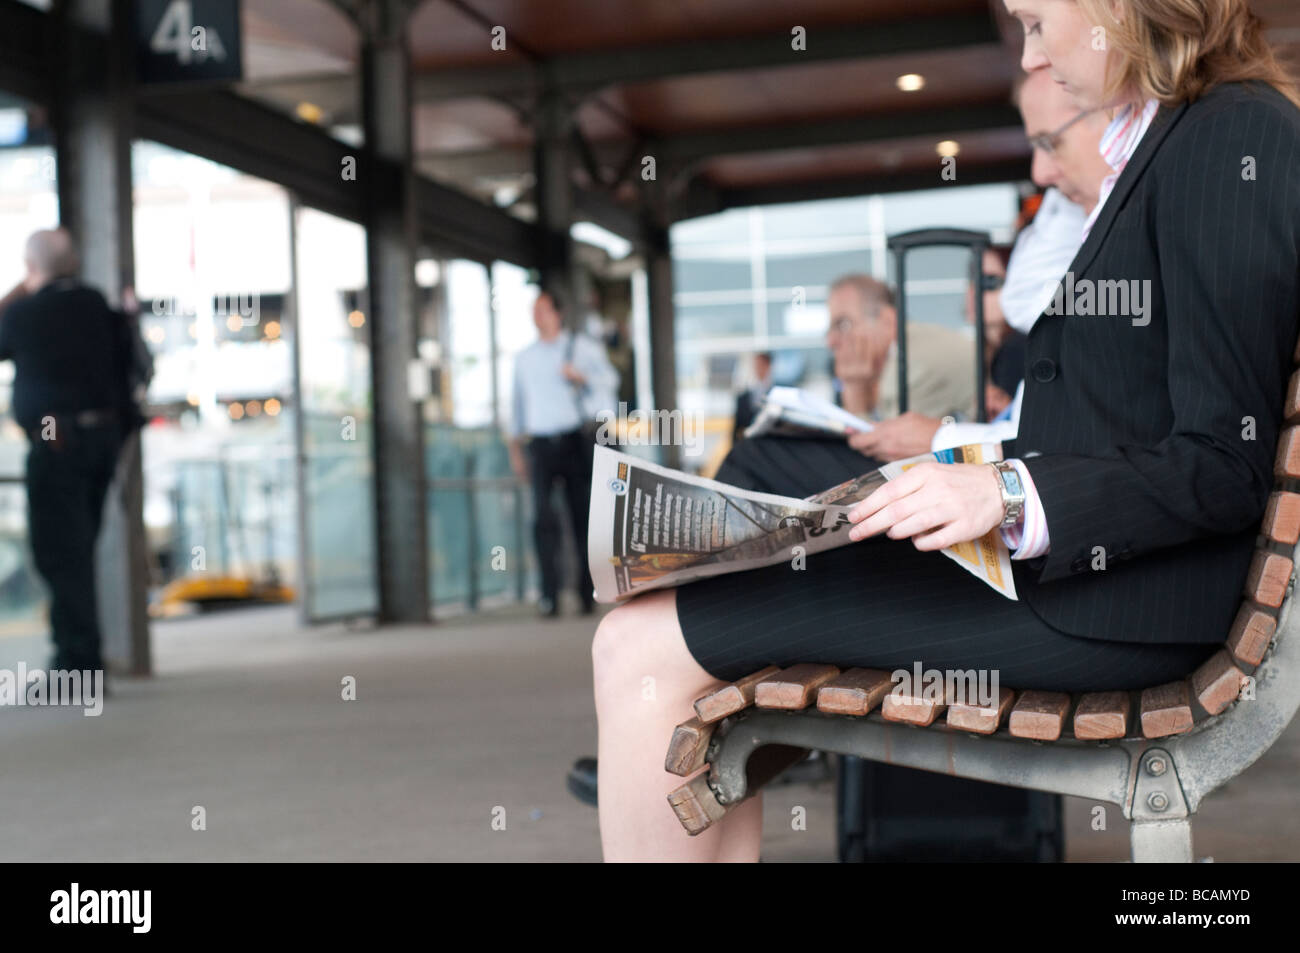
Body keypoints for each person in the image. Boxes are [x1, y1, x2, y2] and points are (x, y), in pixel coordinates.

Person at [591, 0, 1300, 861]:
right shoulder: (1187, 135)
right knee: (691, 594)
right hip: (1087, 577)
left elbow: (1223, 461)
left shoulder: (1231, 138)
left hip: (1112, 603)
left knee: (638, 642)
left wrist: (1001, 490)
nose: (1033, 56)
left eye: (1038, 23)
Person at [0, 229, 141, 682]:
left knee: (61, 555)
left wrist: (20, 290)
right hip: (104, 440)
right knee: (80, 549)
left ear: (31, 267)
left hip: (56, 439)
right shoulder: (97, 306)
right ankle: (81, 659)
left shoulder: (24, 312)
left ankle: (77, 665)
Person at [507, 288, 618, 618]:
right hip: (540, 445)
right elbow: (517, 406)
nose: (537, 316)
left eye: (543, 309)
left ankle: (586, 592)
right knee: (542, 519)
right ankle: (549, 595)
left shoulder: (581, 348)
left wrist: (580, 376)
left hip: (574, 441)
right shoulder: (524, 358)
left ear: (558, 313)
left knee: (580, 518)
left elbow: (611, 381)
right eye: (534, 310)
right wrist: (516, 448)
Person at [827, 274, 976, 423]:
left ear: (887, 320)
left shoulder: (913, 364)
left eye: (843, 324)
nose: (831, 341)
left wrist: (854, 391)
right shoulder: (912, 342)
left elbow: (891, 444)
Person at [731, 351, 772, 443]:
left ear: (768, 366)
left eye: (761, 365)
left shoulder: (778, 396)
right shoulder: (743, 397)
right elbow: (736, 427)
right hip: (748, 445)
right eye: (756, 365)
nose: (758, 368)